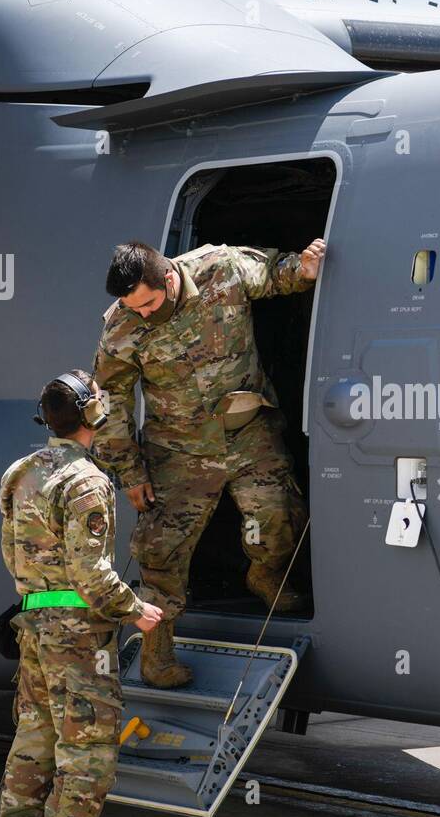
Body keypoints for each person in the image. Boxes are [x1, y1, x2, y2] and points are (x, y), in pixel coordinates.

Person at [93, 238, 325, 688]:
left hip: (248, 432)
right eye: (131, 307)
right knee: (161, 552)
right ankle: (158, 658)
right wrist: (131, 473)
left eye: (148, 304)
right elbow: (111, 400)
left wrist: (305, 269)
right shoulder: (121, 326)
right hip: (179, 451)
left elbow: (276, 275)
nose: (141, 314)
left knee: (280, 517)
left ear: (169, 278)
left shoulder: (223, 267)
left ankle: (267, 576)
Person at [0, 370, 165, 817]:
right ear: (93, 414)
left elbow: (13, 555)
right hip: (76, 635)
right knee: (87, 750)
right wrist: (136, 610)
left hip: (32, 620)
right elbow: (91, 574)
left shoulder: (19, 473)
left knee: (34, 738)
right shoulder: (88, 482)